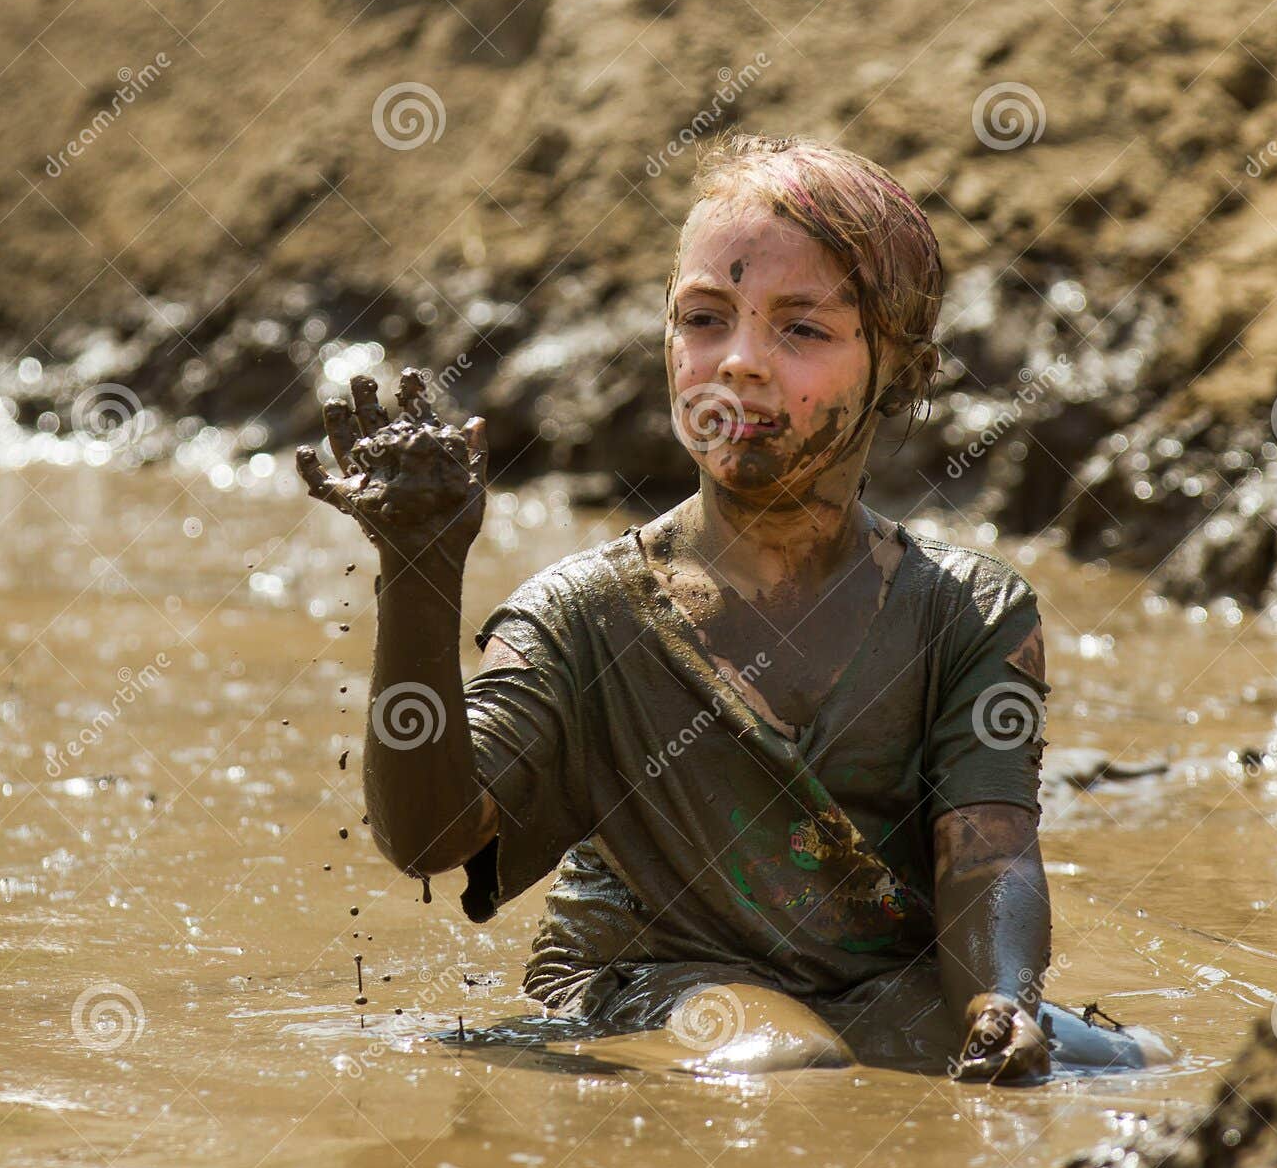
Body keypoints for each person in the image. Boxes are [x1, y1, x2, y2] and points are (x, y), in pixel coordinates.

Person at [296, 132, 1171, 1081]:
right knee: (782, 1056)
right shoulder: (585, 614)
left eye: (803, 330)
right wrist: (418, 574)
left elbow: (989, 857)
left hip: (877, 986)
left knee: (1122, 1062)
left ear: (901, 369)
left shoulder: (967, 612)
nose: (742, 361)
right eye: (706, 319)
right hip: (650, 985)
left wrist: (1000, 1005)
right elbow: (428, 837)